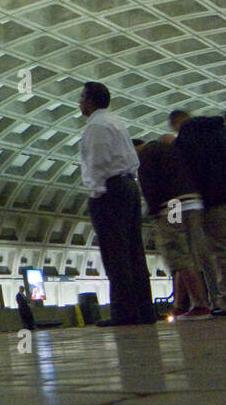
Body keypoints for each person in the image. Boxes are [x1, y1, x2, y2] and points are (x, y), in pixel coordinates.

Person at [78, 82, 155, 326]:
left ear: (90, 101)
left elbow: (98, 161)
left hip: (110, 190)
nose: (79, 103)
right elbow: (131, 158)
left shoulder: (96, 126)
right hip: (128, 186)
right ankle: (144, 311)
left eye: (81, 98)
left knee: (115, 253)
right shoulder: (116, 121)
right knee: (134, 251)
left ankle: (124, 313)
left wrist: (97, 193)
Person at [135, 139, 212, 320]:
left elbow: (149, 186)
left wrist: (154, 212)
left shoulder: (145, 155)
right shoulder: (169, 152)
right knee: (187, 256)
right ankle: (179, 305)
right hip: (193, 202)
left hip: (173, 206)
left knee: (176, 253)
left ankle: (200, 305)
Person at [176, 112, 226, 315]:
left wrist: (175, 216)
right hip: (222, 199)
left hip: (202, 204)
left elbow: (177, 181)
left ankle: (219, 301)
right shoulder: (221, 137)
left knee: (212, 255)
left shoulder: (186, 142)